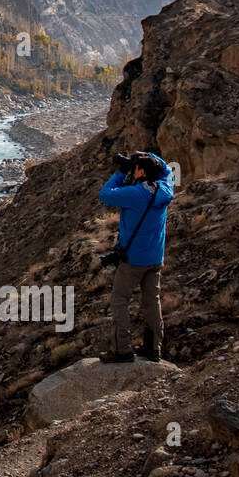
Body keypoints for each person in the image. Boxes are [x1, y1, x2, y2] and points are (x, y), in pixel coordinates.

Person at [97, 151, 174, 363]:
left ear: (140, 171)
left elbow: (105, 194)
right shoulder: (165, 190)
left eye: (136, 167)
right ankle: (153, 349)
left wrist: (122, 171)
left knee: (120, 301)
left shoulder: (134, 194)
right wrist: (146, 157)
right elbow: (166, 169)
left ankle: (122, 350)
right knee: (152, 301)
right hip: (155, 258)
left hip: (132, 260)